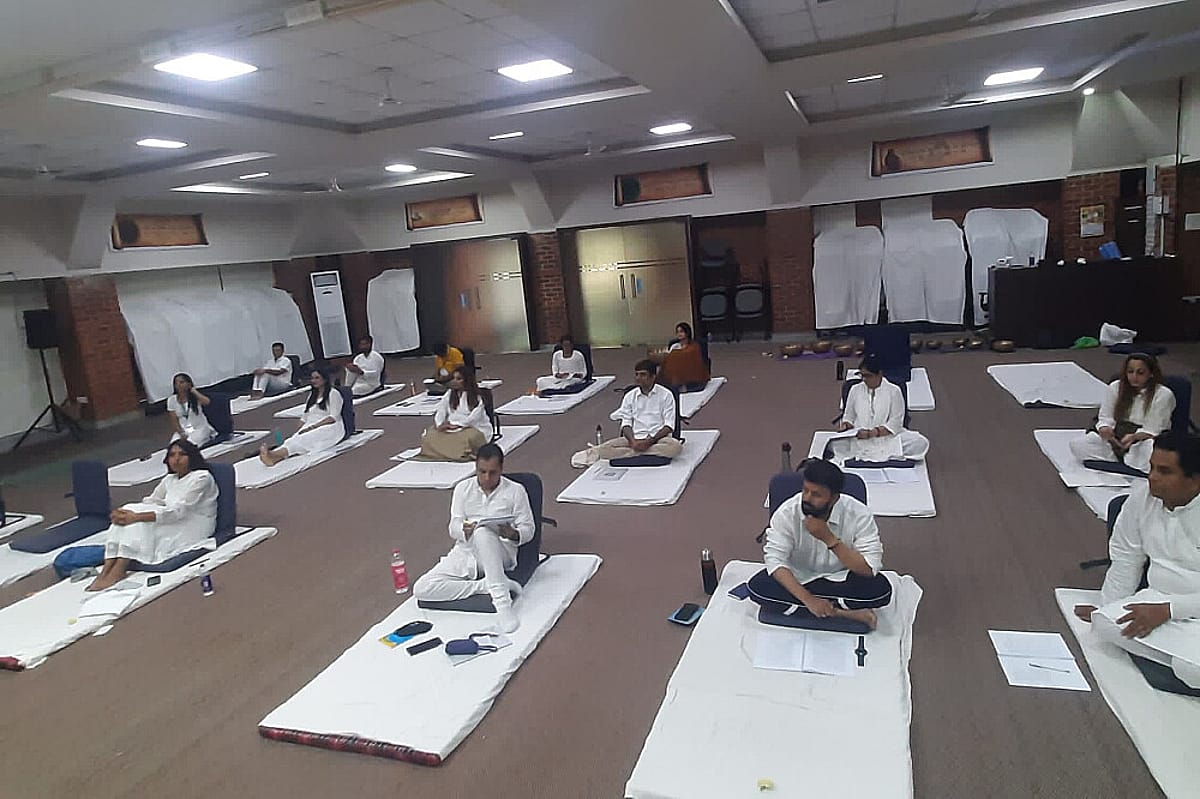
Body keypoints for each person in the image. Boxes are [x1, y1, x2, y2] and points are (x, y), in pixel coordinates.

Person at [1074, 432, 1200, 687]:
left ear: (1194, 481)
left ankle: (1182, 662)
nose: (1152, 477)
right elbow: (1125, 558)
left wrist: (1169, 611)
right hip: (1156, 597)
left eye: (1165, 471)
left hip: (1186, 604)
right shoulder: (1141, 497)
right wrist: (1108, 605)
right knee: (1105, 623)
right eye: (1152, 467)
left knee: (1190, 668)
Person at [748, 458, 892, 631]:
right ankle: (845, 613)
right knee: (758, 588)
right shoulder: (787, 512)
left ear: (833, 498)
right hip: (798, 577)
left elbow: (869, 568)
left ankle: (796, 608)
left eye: (816, 494)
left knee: (881, 590)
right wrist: (809, 600)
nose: (807, 498)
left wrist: (829, 540)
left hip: (840, 577)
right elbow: (775, 560)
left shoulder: (859, 514)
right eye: (806, 490)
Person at [413, 443, 535, 633]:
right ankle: (485, 585)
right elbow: (453, 527)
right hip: (466, 551)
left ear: (502, 469)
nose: (486, 478)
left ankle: (502, 602)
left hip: (500, 553)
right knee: (422, 589)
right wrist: (466, 529)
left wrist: (512, 534)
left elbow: (528, 529)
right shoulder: (463, 488)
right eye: (482, 471)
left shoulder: (516, 491)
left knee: (484, 532)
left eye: (492, 472)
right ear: (476, 468)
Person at [86, 439, 218, 591]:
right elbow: (152, 500)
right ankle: (107, 568)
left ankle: (120, 566)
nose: (176, 459)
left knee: (139, 521)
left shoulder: (202, 477)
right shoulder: (170, 479)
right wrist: (122, 512)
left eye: (182, 454)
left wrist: (136, 517)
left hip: (194, 523)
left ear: (192, 457)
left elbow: (179, 511)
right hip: (172, 517)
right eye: (172, 455)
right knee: (131, 510)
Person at [1069, 353, 1175, 473]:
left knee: (1151, 454)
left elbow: (1155, 429)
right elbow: (1105, 416)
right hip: (1116, 437)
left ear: (1151, 374)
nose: (1134, 377)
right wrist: (1105, 428)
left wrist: (1135, 437)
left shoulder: (1163, 394)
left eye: (1140, 373)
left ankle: (1125, 459)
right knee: (1078, 445)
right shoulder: (1116, 387)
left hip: (1142, 440)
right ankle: (1123, 459)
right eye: (1130, 372)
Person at [571, 359, 682, 467]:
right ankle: (646, 454)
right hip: (634, 439)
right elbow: (626, 424)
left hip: (657, 440)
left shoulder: (666, 395)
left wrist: (649, 441)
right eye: (637, 374)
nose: (638, 378)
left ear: (653, 377)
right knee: (604, 450)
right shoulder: (630, 396)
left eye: (643, 375)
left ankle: (632, 455)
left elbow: (669, 425)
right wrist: (633, 442)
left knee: (675, 447)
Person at [828, 353, 929, 463]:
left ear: (879, 374)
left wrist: (872, 433)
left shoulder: (894, 391)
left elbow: (896, 423)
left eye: (868, 376)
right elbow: (849, 416)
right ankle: (887, 455)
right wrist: (846, 425)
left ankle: (879, 453)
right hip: (859, 438)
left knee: (920, 442)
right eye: (862, 375)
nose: (864, 379)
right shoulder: (855, 389)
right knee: (835, 444)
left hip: (886, 438)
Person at [258, 368, 345, 466]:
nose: (314, 381)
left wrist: (312, 427)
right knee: (292, 440)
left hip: (329, 426)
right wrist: (299, 431)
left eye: (317, 378)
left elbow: (333, 417)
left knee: (304, 439)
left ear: (324, 379)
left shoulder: (333, 394)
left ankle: (272, 454)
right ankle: (273, 459)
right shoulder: (313, 395)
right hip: (311, 425)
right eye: (312, 378)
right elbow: (305, 416)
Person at [414, 366, 491, 462]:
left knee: (466, 439)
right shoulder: (450, 394)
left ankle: (456, 453)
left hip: (473, 427)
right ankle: (442, 452)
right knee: (429, 435)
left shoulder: (477, 396)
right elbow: (441, 410)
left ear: (467, 381)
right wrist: (440, 424)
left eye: (459, 379)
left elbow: (474, 418)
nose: (454, 381)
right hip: (450, 426)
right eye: (453, 378)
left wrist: (458, 425)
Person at [167, 372, 215, 447]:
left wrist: (193, 391)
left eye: (181, 382)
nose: (178, 385)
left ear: (188, 383)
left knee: (189, 444)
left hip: (199, 428)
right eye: (176, 383)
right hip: (184, 430)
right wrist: (181, 433)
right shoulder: (171, 400)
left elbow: (207, 402)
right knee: (174, 445)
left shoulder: (195, 397)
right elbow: (174, 421)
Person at [660, 322, 710, 392]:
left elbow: (693, 358)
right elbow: (669, 356)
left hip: (689, 372)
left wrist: (677, 354)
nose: (679, 334)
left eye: (681, 331)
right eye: (677, 332)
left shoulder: (694, 346)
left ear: (687, 333)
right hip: (675, 372)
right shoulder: (674, 345)